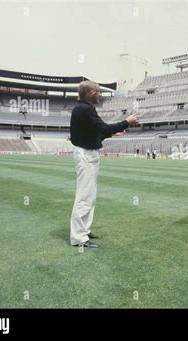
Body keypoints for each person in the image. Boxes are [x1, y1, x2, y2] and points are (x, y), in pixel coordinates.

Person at [70, 80, 140, 248]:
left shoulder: (82, 109)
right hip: (86, 155)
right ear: (91, 93)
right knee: (85, 197)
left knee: (90, 196)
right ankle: (78, 237)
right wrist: (126, 122)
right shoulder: (86, 109)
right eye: (98, 92)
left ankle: (84, 231)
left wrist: (113, 133)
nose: (100, 94)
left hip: (88, 153)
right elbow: (102, 128)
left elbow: (95, 133)